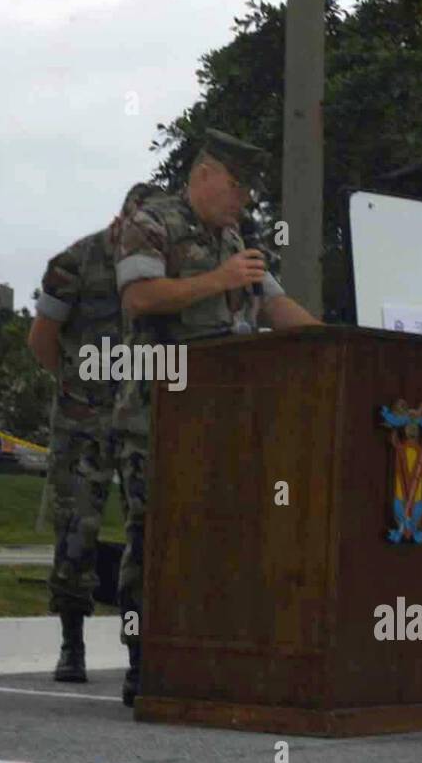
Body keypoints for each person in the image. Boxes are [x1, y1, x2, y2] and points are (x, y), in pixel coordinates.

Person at [112, 129, 321, 706]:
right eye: (236, 186)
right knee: (154, 538)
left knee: (223, 539)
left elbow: (276, 306)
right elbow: (140, 298)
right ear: (203, 175)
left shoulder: (237, 239)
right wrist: (218, 281)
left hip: (229, 421)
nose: (244, 201)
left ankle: (207, 657)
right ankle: (144, 661)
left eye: (249, 191)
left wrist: (338, 344)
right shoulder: (150, 222)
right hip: (159, 417)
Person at [28, 183, 153, 682]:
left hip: (140, 422)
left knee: (144, 535)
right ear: (120, 219)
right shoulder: (75, 262)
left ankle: (139, 656)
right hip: (83, 421)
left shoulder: (158, 269)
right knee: (75, 532)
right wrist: (78, 386)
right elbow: (41, 340)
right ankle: (71, 642)